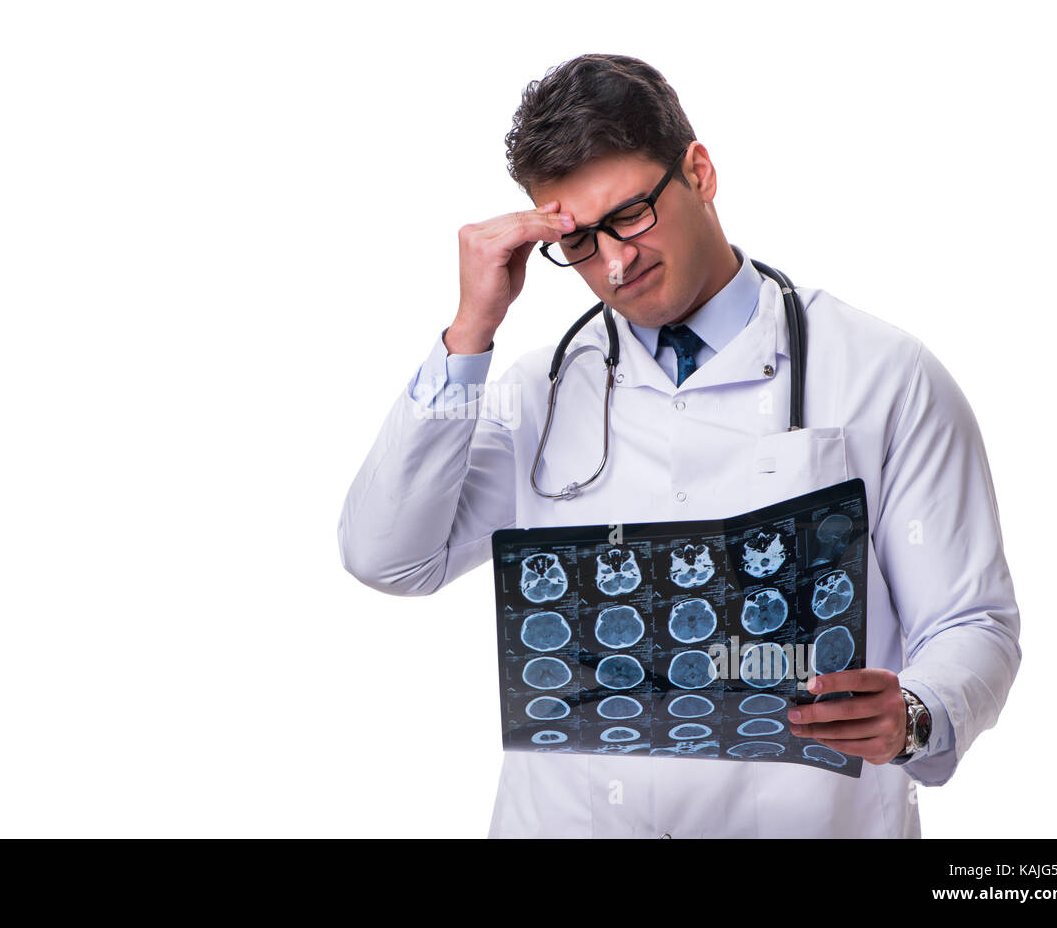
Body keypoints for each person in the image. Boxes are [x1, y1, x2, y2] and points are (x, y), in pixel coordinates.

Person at [337, 53, 1021, 838]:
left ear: (699, 172)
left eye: (630, 214)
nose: (616, 262)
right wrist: (471, 331)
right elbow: (385, 556)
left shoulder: (884, 375)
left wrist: (915, 712)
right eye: (581, 241)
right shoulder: (538, 390)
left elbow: (974, 621)